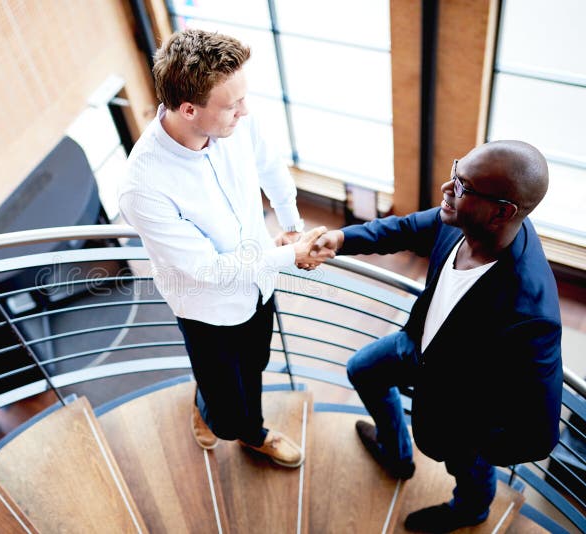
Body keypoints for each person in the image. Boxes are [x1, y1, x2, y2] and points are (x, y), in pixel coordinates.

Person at [315, 140, 563, 531]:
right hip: (417, 346)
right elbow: (407, 227)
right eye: (455, 172)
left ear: (503, 212)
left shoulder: (530, 314)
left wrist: (475, 441)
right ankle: (395, 451)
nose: (447, 189)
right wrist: (342, 241)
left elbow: (538, 433)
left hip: (463, 404)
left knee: (467, 467)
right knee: (362, 369)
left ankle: (470, 509)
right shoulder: (465, 224)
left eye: (462, 186)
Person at [118, 28, 330, 468]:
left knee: (257, 362)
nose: (245, 110)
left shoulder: (236, 122)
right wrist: (291, 255)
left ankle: (220, 404)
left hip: (259, 287)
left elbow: (272, 167)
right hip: (207, 312)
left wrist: (291, 227)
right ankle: (235, 425)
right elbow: (208, 270)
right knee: (227, 420)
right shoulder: (143, 187)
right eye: (232, 104)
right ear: (189, 108)